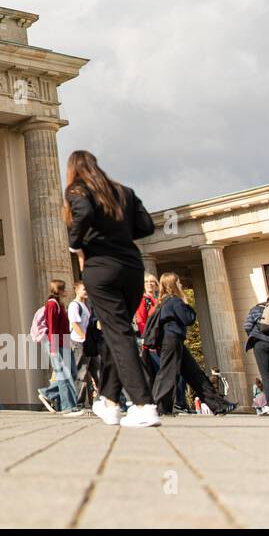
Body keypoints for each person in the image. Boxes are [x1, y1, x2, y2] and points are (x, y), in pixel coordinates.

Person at [64, 150, 160, 427]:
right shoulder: (123, 191)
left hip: (100, 268)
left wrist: (76, 245)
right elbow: (146, 225)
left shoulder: (78, 189)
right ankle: (110, 401)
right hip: (132, 267)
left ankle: (143, 404)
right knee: (119, 334)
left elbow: (82, 213)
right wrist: (120, 234)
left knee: (118, 335)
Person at [150, 273, 235, 415]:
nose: (181, 285)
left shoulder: (163, 302)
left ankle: (218, 405)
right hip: (172, 340)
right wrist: (184, 301)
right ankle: (156, 407)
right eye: (179, 282)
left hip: (171, 341)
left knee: (195, 374)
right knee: (168, 373)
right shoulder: (174, 301)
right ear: (173, 285)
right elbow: (188, 319)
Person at [36, 279, 83, 415]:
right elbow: (52, 327)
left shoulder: (60, 304)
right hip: (56, 344)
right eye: (64, 288)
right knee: (64, 375)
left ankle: (47, 393)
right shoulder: (52, 304)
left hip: (65, 342)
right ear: (61, 290)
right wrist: (54, 348)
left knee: (72, 373)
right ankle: (68, 406)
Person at [67, 282, 97, 409]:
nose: (86, 291)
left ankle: (93, 401)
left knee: (91, 371)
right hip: (78, 341)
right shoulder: (74, 305)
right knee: (80, 372)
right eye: (84, 289)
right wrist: (84, 338)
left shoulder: (85, 305)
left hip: (86, 341)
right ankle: (79, 402)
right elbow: (74, 324)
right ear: (77, 290)